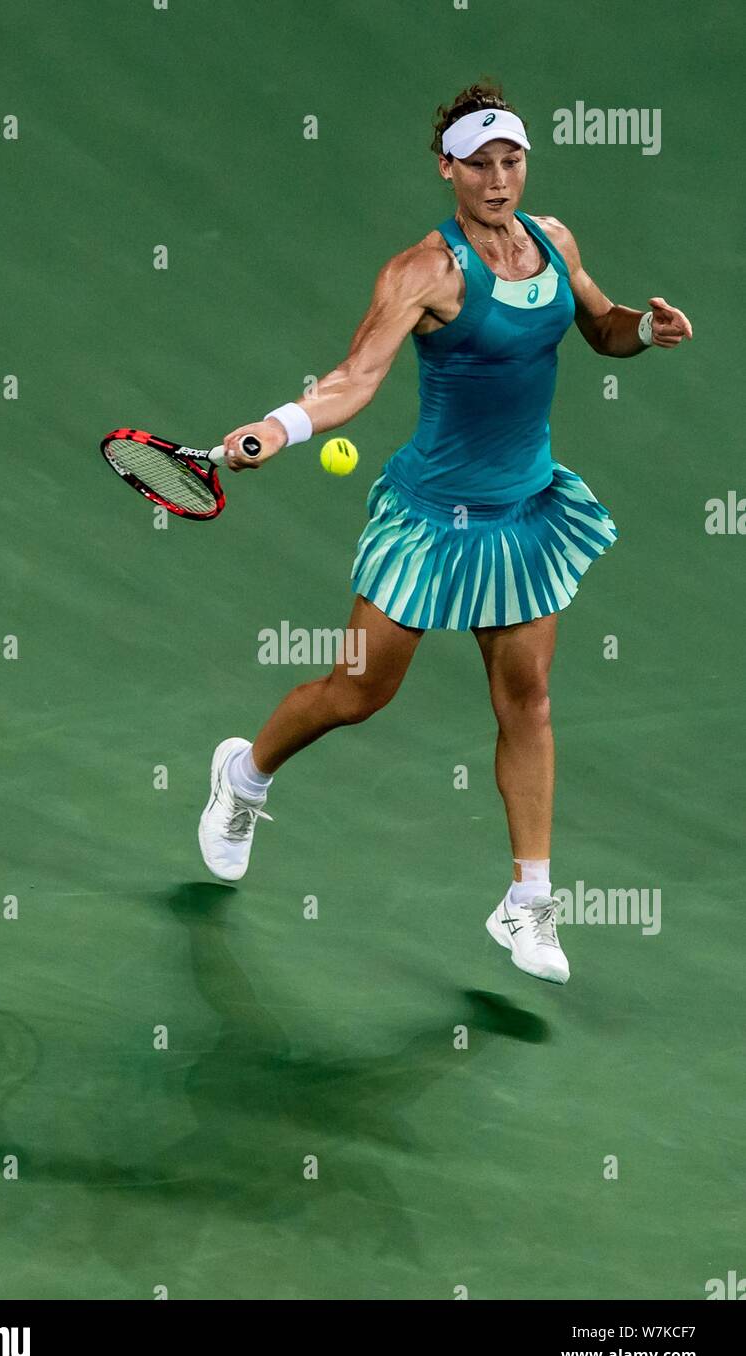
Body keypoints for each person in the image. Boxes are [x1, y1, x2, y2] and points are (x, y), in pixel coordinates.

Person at [198, 81, 693, 985]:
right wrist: (281, 425)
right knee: (357, 692)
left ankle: (527, 900)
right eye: (480, 164)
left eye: (512, 160)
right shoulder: (423, 273)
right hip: (431, 520)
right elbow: (353, 377)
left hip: (522, 512)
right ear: (448, 169)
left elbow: (600, 326)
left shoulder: (552, 239)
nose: (499, 179)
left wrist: (647, 333)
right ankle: (245, 775)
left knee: (528, 700)